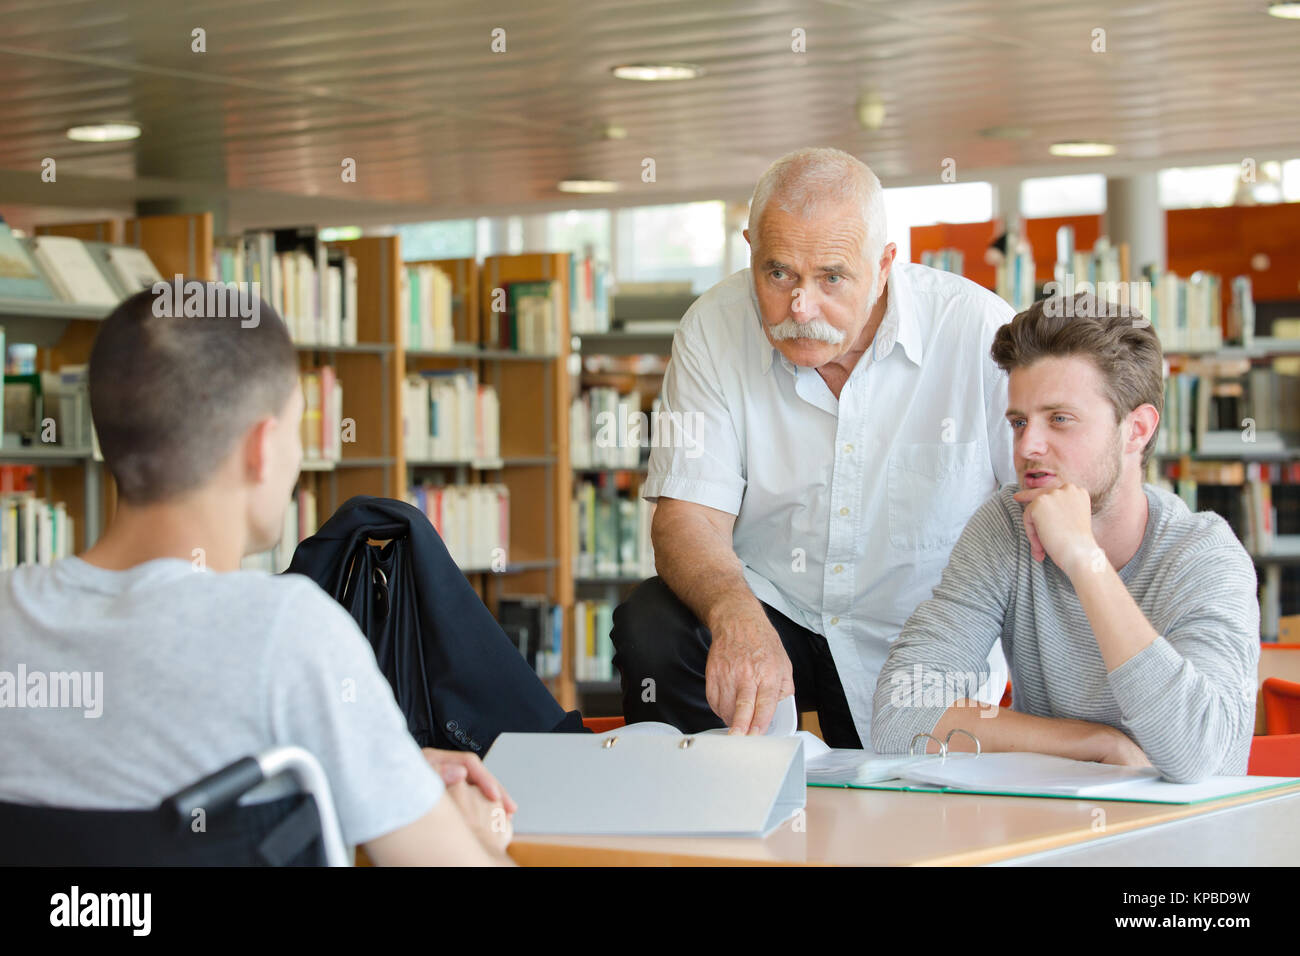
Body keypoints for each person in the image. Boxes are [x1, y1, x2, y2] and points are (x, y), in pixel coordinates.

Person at [0, 285, 514, 864]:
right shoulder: (287, 633)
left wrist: (370, 765)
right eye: (297, 427)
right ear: (262, 448)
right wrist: (474, 832)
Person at [611, 147, 1013, 747]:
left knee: (891, 813)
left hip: (915, 632)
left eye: (831, 278)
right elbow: (687, 514)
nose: (801, 307)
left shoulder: (980, 333)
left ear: (884, 266)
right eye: (778, 274)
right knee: (653, 626)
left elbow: (1039, 511)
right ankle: (711, 812)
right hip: (775, 605)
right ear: (749, 249)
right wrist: (733, 612)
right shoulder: (711, 329)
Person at [871, 293, 1260, 782]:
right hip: (1051, 834)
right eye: (1018, 422)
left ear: (1135, 430)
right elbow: (897, 716)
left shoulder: (1204, 555)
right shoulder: (1005, 528)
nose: (1028, 446)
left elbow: (1202, 759)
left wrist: (1083, 559)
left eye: (1059, 419)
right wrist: (1094, 745)